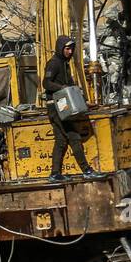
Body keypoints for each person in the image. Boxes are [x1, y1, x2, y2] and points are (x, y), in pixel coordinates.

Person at [43, 35, 97, 181]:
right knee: (74, 136)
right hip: (56, 107)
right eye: (67, 49)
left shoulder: (64, 64)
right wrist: (62, 88)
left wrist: (83, 99)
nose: (70, 52)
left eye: (71, 49)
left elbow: (71, 84)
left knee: (61, 141)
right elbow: (46, 83)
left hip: (62, 107)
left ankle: (55, 174)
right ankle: (87, 171)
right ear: (60, 49)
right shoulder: (54, 63)